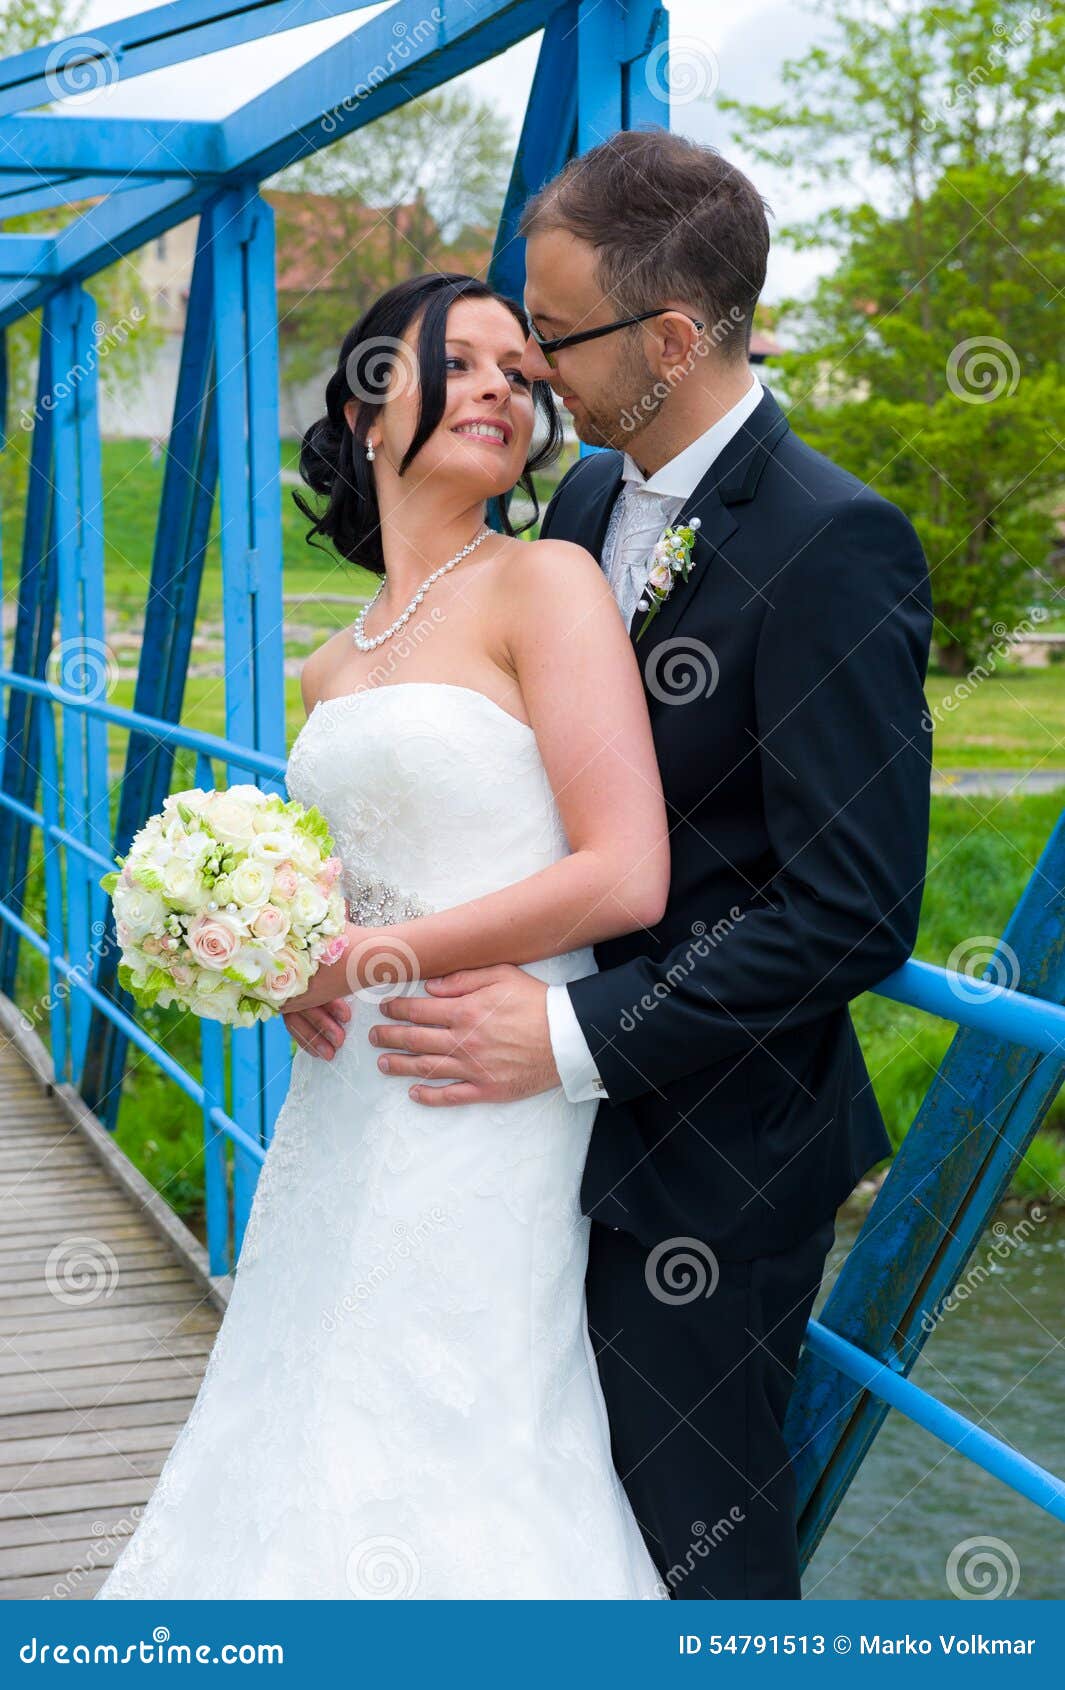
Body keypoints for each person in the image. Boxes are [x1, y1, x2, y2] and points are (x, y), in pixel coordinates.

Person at [289, 129, 934, 1599]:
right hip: (510, 1148)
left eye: (550, 338)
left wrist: (573, 1032)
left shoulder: (837, 543)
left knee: (693, 1549)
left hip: (706, 1160)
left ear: (661, 337)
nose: (527, 376)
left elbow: (853, 911)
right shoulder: (580, 509)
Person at [95, 271, 673, 1600]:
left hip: (490, 1075)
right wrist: (293, 953)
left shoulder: (547, 583)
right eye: (457, 361)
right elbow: (357, 882)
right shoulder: (330, 662)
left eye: (519, 376)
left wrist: (380, 958)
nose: (499, 389)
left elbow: (626, 872)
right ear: (364, 407)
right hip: (345, 1082)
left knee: (456, 1400)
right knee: (306, 1378)